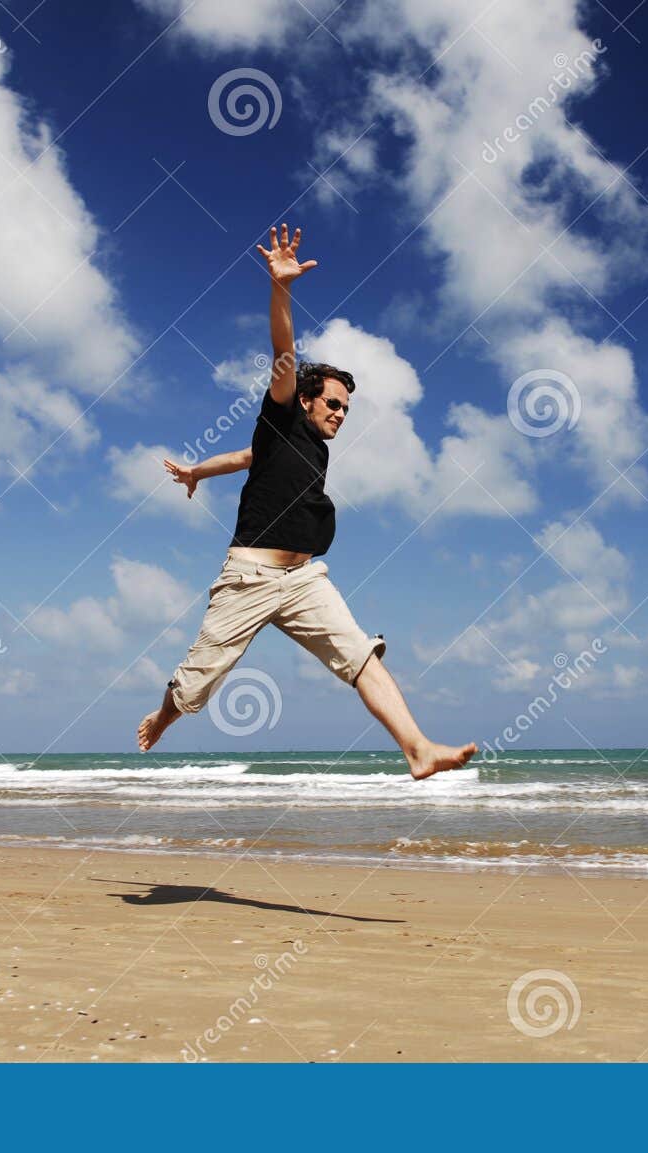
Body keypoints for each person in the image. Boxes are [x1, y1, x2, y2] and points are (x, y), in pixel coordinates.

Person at [137, 223, 477, 781]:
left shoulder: (304, 448)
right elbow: (283, 351)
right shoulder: (281, 413)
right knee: (197, 684)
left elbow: (242, 458)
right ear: (305, 400)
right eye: (333, 404)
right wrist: (281, 287)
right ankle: (164, 715)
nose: (340, 414)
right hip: (249, 577)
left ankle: (418, 750)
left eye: (346, 409)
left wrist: (198, 470)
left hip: (304, 580)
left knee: (361, 654)